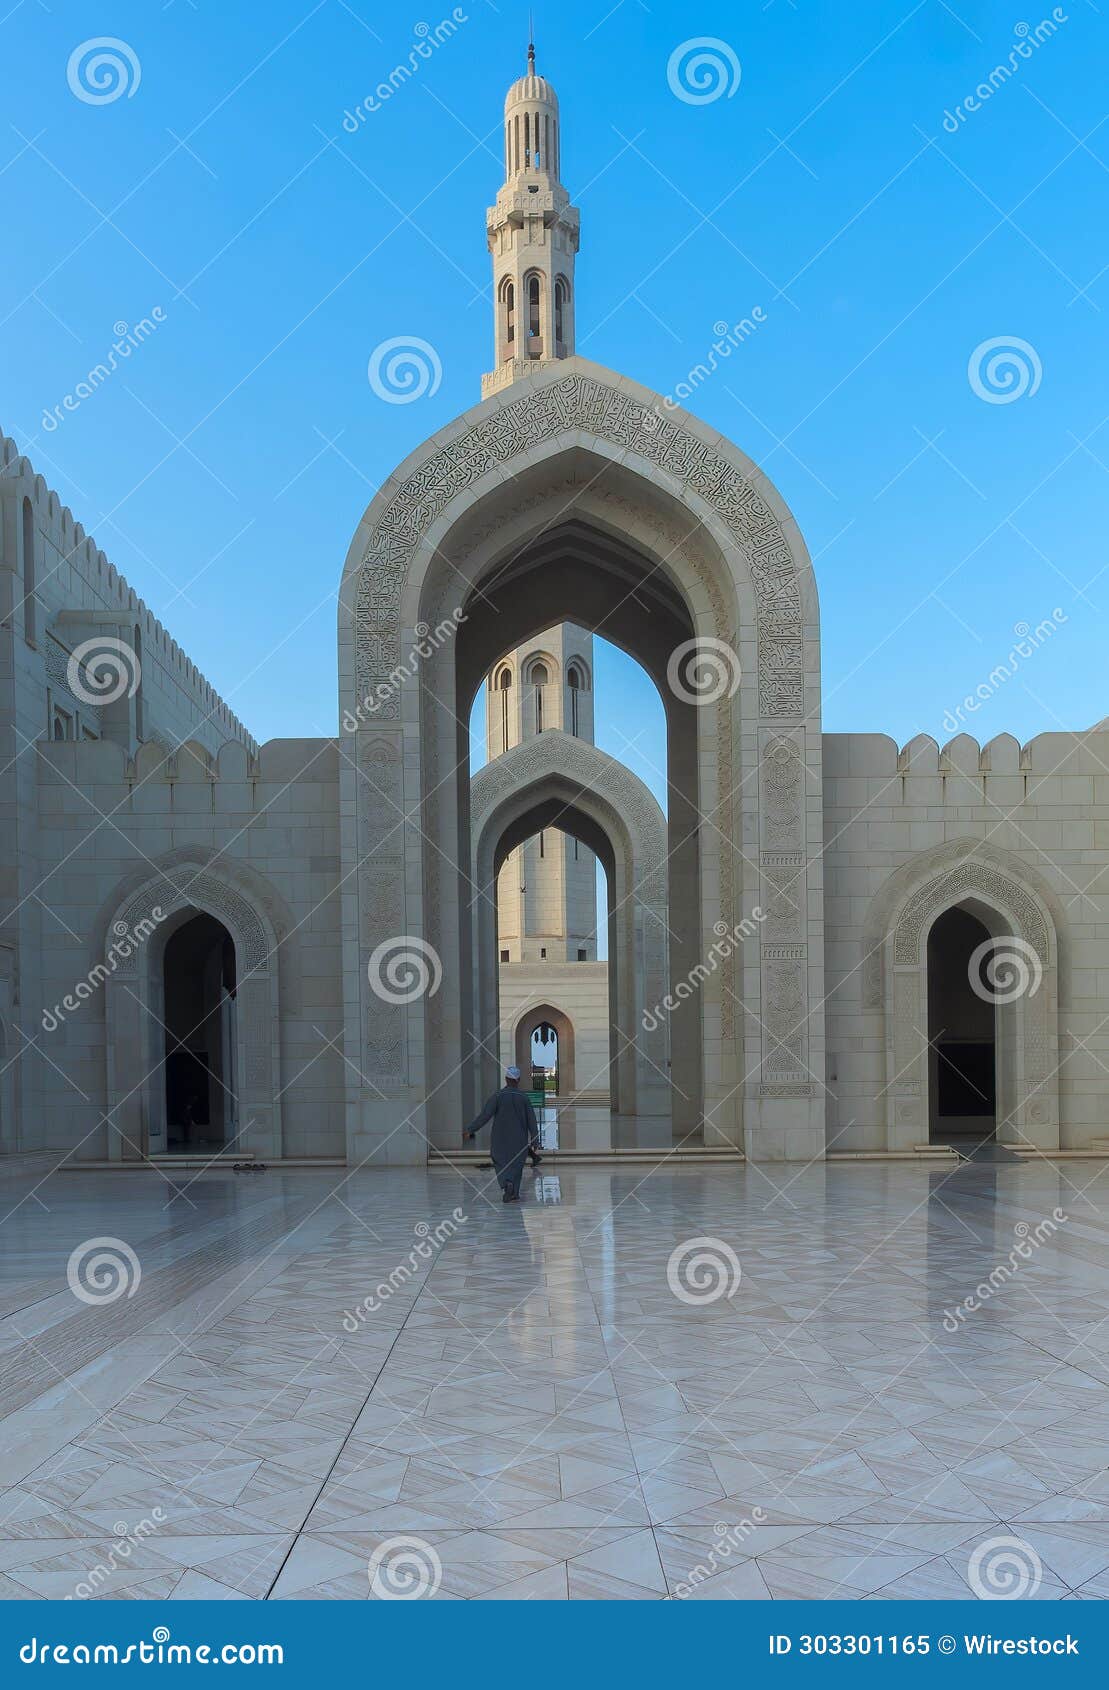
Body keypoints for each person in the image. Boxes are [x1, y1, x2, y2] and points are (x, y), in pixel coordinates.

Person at [464, 1066, 539, 1202]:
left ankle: (506, 1183)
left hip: (500, 1138)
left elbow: (485, 1116)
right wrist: (535, 1140)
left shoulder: (498, 1096)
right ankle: (514, 1192)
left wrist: (470, 1130)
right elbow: (532, 1120)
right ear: (518, 1080)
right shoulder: (524, 1098)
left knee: (500, 1162)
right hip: (519, 1139)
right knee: (517, 1165)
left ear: (506, 1079)